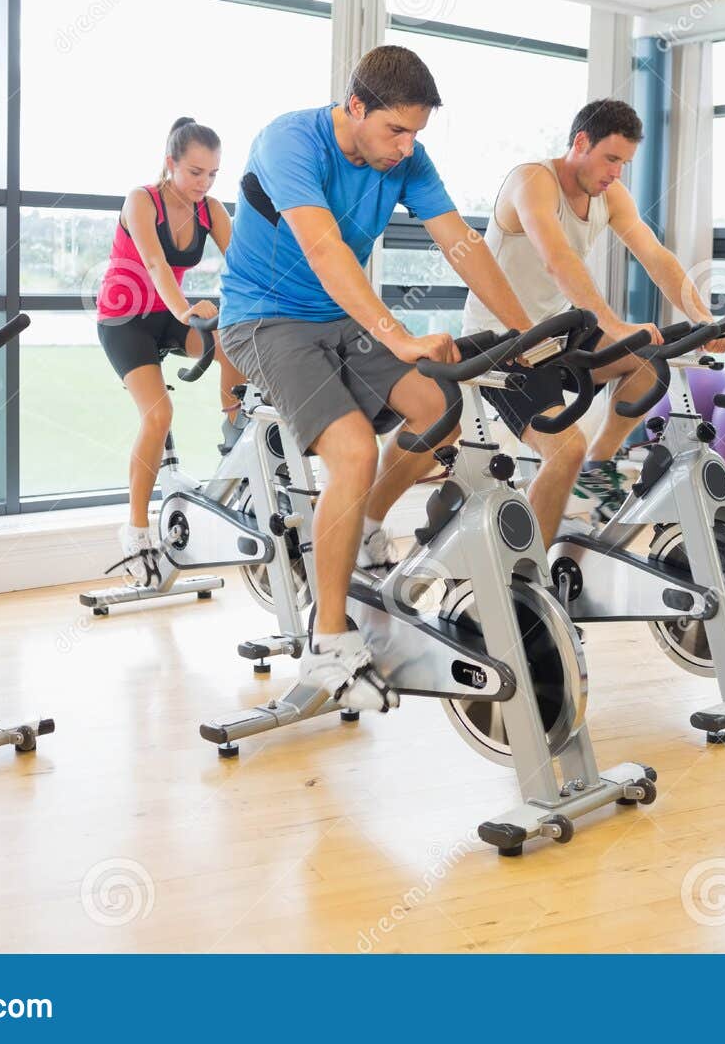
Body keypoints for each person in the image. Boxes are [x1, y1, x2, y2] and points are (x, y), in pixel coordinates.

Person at [217, 45, 535, 712]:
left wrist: (526, 331)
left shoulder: (407, 160)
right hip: (264, 318)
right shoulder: (289, 141)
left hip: (341, 317)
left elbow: (461, 244)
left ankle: (363, 522)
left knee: (436, 406)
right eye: (396, 129)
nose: (406, 146)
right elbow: (326, 249)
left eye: (416, 132)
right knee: (355, 450)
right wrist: (398, 334)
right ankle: (328, 638)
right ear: (354, 105)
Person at [462, 98, 725, 535]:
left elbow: (655, 256)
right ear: (580, 143)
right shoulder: (533, 182)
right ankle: (523, 573)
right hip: (501, 342)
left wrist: (704, 318)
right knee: (563, 453)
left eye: (624, 163)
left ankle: (598, 466)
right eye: (610, 158)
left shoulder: (610, 196)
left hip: (558, 330)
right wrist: (613, 324)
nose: (616, 173)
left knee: (646, 359)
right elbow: (557, 259)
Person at [97, 117, 243, 586]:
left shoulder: (211, 210)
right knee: (158, 416)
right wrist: (185, 312)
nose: (203, 183)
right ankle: (136, 530)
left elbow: (245, 264)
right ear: (170, 163)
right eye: (195, 172)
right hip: (124, 318)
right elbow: (156, 263)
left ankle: (235, 428)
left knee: (229, 340)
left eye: (213, 174)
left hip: (170, 315)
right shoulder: (142, 200)